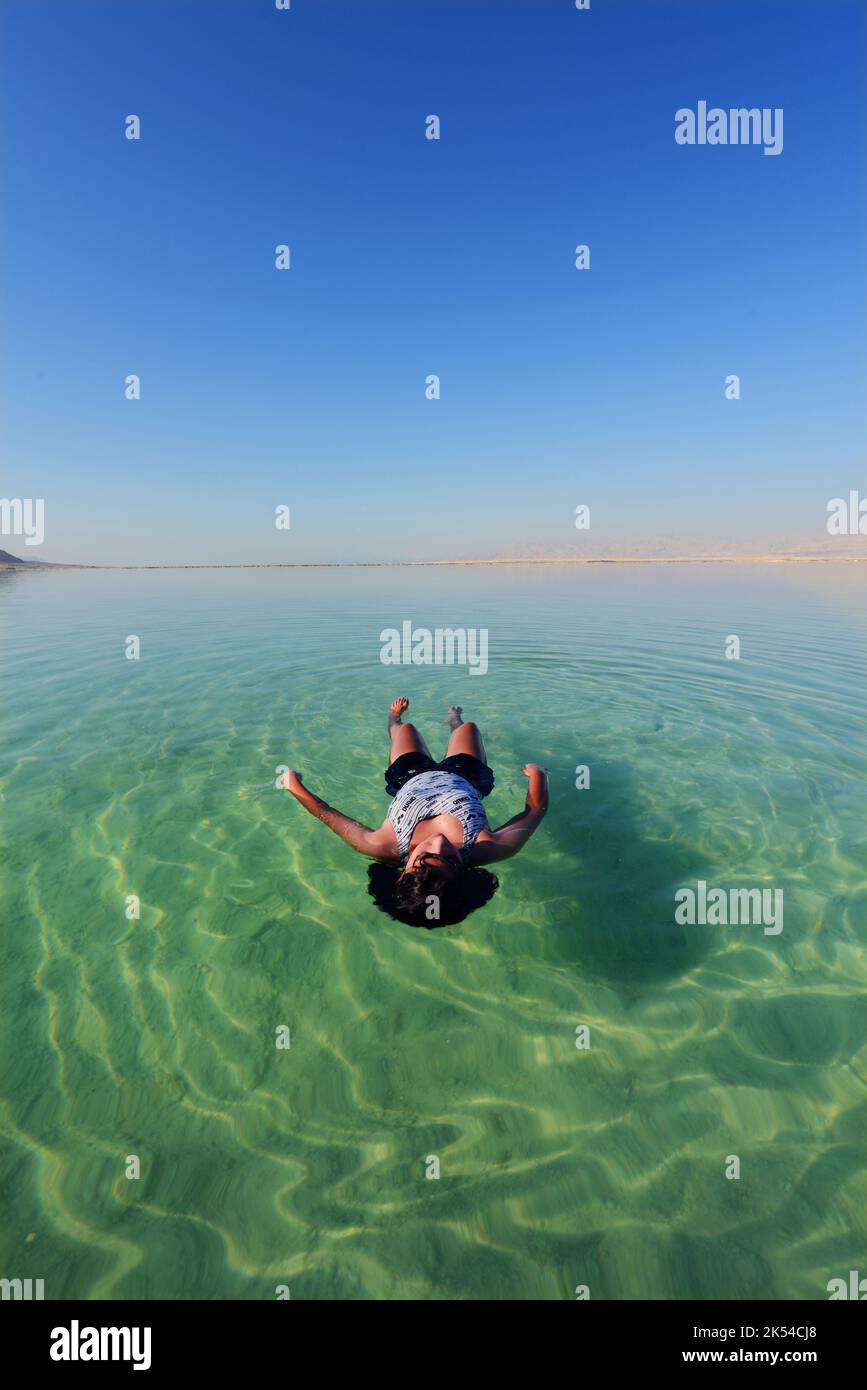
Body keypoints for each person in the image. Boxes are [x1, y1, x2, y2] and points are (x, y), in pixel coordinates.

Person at [282, 698, 548, 927]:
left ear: (403, 872)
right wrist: (537, 775)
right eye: (452, 860)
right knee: (469, 729)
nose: (439, 844)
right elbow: (535, 811)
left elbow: (325, 813)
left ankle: (393, 718)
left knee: (406, 729)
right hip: (467, 776)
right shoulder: (487, 848)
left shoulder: (382, 845)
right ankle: (454, 720)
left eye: (425, 857)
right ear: (463, 875)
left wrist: (292, 785)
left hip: (409, 775)